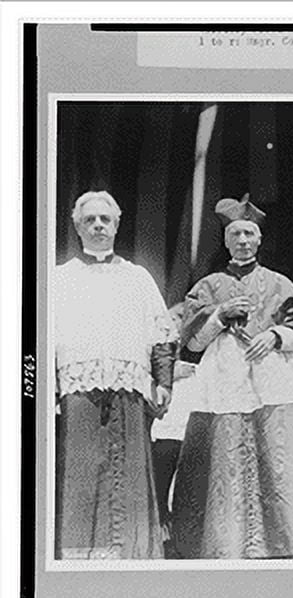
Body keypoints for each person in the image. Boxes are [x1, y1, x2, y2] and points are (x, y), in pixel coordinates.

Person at [170, 194, 293, 559]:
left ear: (259, 239)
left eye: (249, 234)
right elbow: (192, 341)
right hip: (223, 380)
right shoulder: (208, 285)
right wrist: (220, 314)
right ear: (226, 241)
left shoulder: (278, 283)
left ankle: (284, 542)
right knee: (223, 461)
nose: (242, 241)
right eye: (236, 235)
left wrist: (276, 336)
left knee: (277, 458)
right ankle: (226, 542)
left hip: (270, 380)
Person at [54, 190, 176, 559]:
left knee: (130, 471)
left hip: (128, 391)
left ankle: (132, 554)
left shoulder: (137, 278)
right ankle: (77, 555)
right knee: (80, 471)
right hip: (78, 392)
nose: (97, 226)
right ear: (77, 228)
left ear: (117, 225)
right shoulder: (59, 279)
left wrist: (164, 381)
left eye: (104, 219)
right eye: (89, 220)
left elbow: (161, 332)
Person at [150, 302, 199, 556]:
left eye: (182, 318)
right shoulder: (160, 351)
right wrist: (170, 373)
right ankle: (163, 536)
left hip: (192, 430)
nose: (177, 322)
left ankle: (184, 539)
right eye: (175, 316)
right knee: (160, 486)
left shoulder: (199, 349)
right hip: (165, 431)